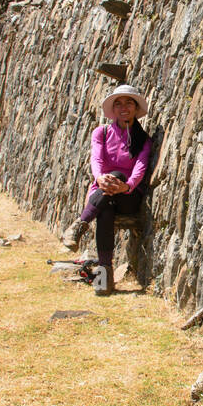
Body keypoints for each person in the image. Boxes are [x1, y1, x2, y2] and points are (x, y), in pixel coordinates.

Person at [60, 84, 152, 295]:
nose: (123, 107)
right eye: (118, 103)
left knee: (118, 177)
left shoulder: (143, 140)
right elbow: (96, 159)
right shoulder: (101, 133)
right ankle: (105, 278)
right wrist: (101, 178)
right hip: (103, 194)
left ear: (136, 108)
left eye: (129, 102)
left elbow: (140, 167)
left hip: (129, 195)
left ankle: (80, 224)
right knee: (105, 209)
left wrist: (126, 185)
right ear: (113, 109)